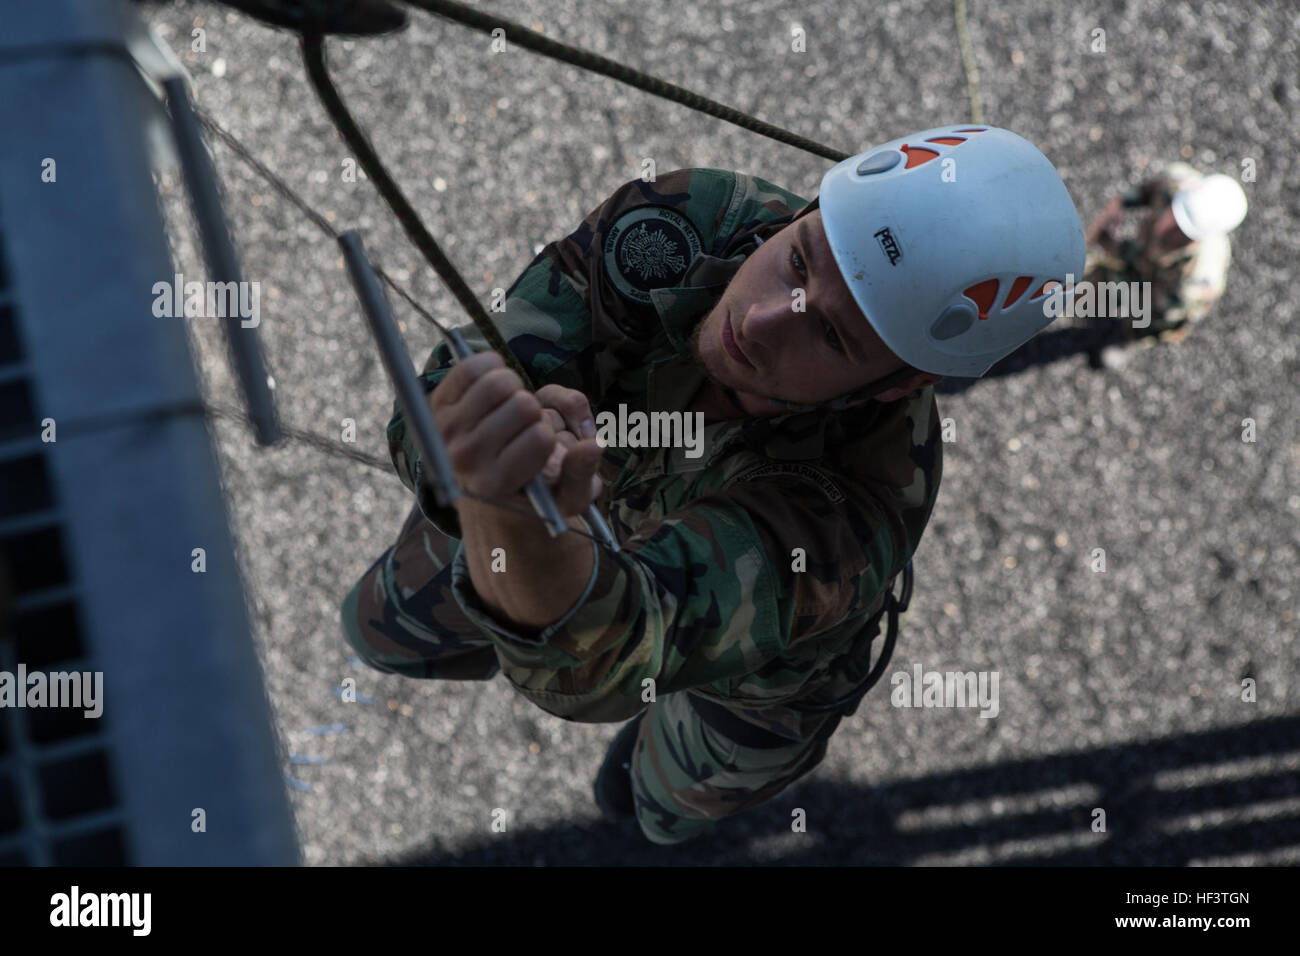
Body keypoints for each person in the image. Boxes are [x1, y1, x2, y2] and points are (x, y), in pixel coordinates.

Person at [341, 124, 1085, 845]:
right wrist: (480, 467)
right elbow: (450, 388)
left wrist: (510, 511)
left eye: (830, 335)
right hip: (583, 522)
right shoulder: (689, 223)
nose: (760, 321)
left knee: (659, 804)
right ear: (802, 214)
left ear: (895, 388)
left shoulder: (847, 520)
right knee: (381, 629)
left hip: (751, 676)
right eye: (798, 261)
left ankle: (644, 776)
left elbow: (609, 659)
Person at [1084, 162, 1247, 348]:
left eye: (1180, 230)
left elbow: (1158, 306)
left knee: (1146, 322)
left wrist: (1117, 270)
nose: (1165, 226)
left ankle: (1125, 338)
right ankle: (1094, 311)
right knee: (1096, 290)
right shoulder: (1177, 182)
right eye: (1174, 212)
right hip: (1142, 255)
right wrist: (1118, 206)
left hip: (1161, 297)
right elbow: (1146, 191)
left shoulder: (1197, 279)